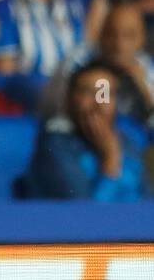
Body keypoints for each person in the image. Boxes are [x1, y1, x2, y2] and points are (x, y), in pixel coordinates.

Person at [24, 61, 148, 201]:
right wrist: (110, 160)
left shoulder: (128, 144)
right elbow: (84, 215)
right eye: (89, 92)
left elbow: (146, 202)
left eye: (106, 93)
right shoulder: (54, 147)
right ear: (68, 100)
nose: (99, 103)